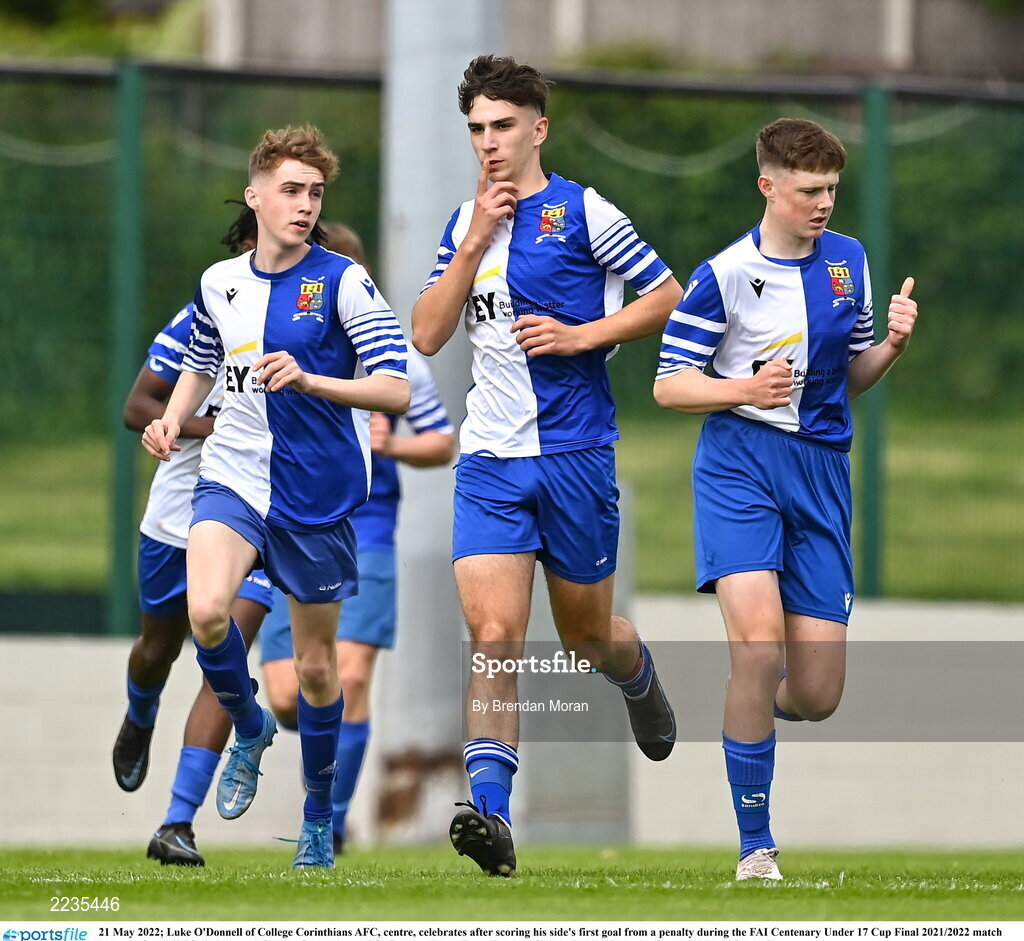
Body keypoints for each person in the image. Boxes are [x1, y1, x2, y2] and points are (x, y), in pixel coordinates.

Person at [411, 54, 683, 877]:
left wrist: (583, 336)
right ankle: (489, 820)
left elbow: (668, 293)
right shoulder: (463, 223)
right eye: (475, 131)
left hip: (575, 457)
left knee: (584, 639)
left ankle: (635, 674)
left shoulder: (585, 211)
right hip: (491, 461)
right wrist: (472, 248)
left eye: (501, 127)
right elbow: (425, 335)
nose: (488, 144)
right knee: (493, 638)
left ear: (538, 128)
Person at [653, 117, 919, 882]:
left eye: (832, 188)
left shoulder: (850, 262)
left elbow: (850, 378)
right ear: (768, 186)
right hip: (739, 464)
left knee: (817, 692)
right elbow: (670, 383)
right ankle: (755, 847)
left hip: (823, 473)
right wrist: (743, 388)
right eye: (809, 190)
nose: (824, 203)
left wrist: (891, 346)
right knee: (760, 646)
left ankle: (753, 697)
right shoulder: (726, 274)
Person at [141, 125, 410, 871]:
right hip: (232, 477)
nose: (304, 204)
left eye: (315, 193)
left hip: (317, 495)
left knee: (320, 670)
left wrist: (315, 379)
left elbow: (394, 386)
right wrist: (169, 418)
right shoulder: (217, 282)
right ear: (255, 195)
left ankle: (318, 818)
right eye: (291, 190)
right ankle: (250, 724)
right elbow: (198, 363)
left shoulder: (344, 281)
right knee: (205, 611)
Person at [258, 222, 456, 855]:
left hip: (366, 528)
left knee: (354, 674)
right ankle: (306, 757)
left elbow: (442, 441)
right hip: (284, 523)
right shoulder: (267, 348)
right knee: (291, 692)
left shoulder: (395, 360)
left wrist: (389, 444)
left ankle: (331, 823)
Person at [112, 203, 275, 867]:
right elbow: (136, 406)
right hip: (178, 518)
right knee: (158, 645)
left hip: (260, 518)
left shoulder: (312, 322)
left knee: (222, 656)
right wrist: (217, 424)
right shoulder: (199, 321)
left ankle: (177, 822)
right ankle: (140, 712)